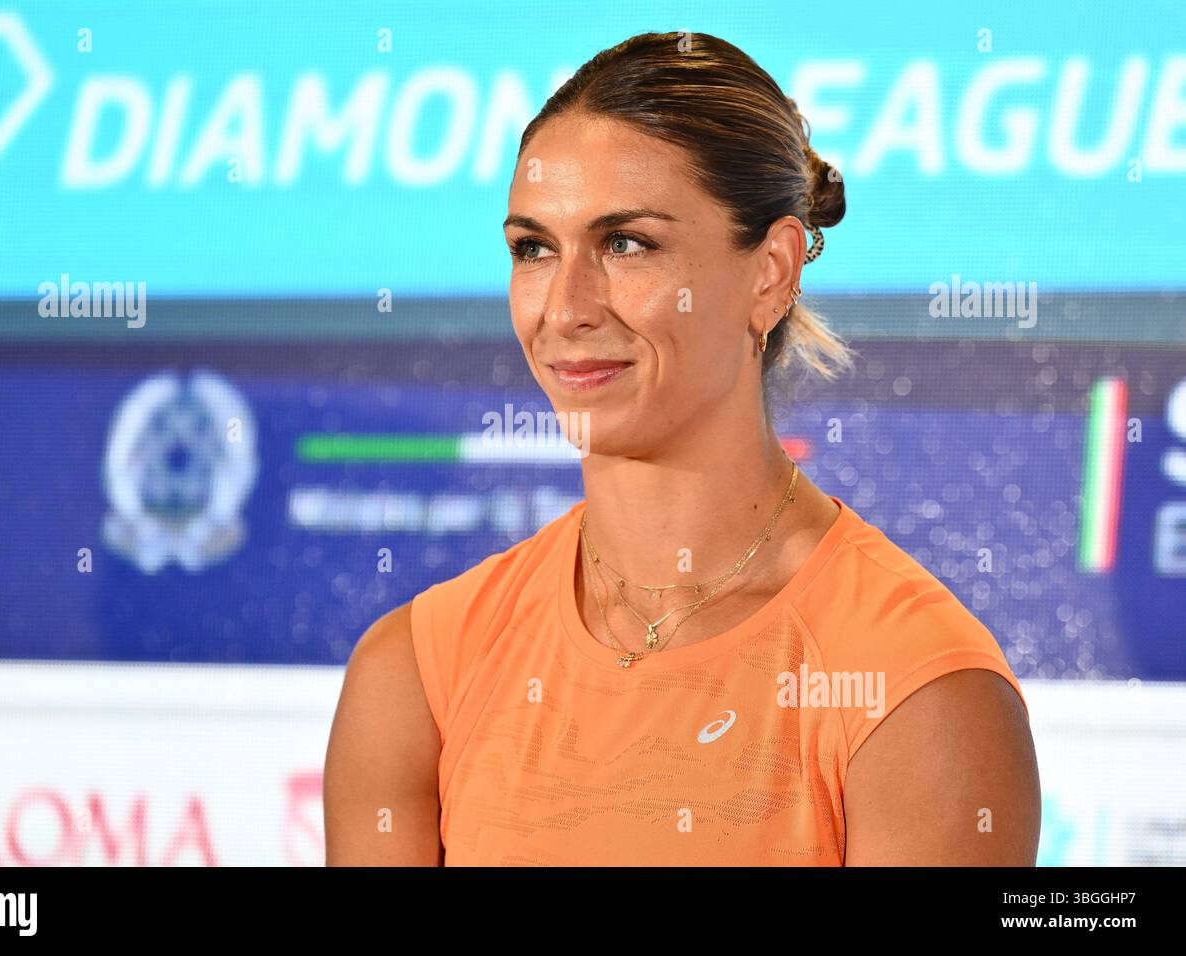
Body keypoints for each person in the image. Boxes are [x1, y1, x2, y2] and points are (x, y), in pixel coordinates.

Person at [324, 30, 1040, 866]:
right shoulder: (417, 672)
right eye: (534, 249)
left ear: (771, 272)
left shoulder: (913, 689)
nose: (565, 308)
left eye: (627, 243)